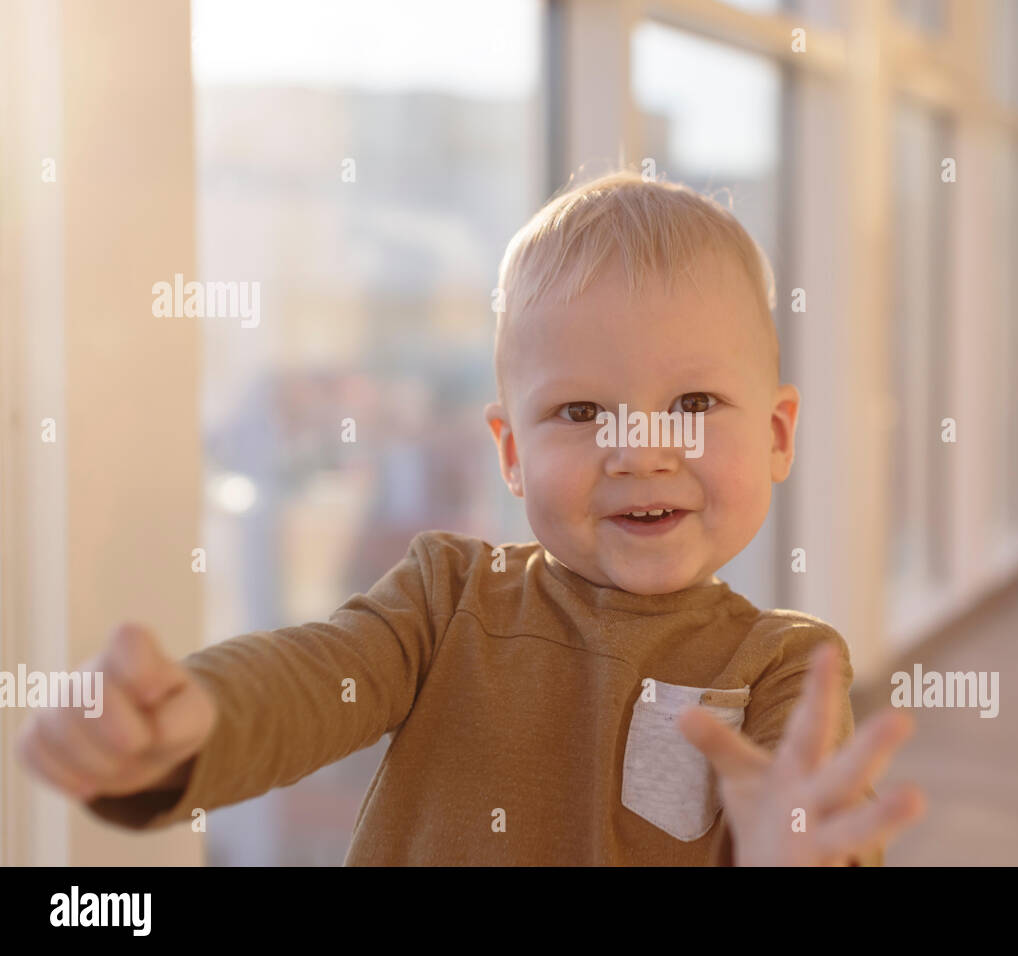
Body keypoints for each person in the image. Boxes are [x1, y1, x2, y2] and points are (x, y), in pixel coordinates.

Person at [18, 170, 925, 865]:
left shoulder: (786, 669)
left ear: (775, 433)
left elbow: (812, 823)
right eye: (580, 413)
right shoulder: (446, 598)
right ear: (512, 453)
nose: (640, 451)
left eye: (693, 401)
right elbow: (309, 680)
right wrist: (196, 720)